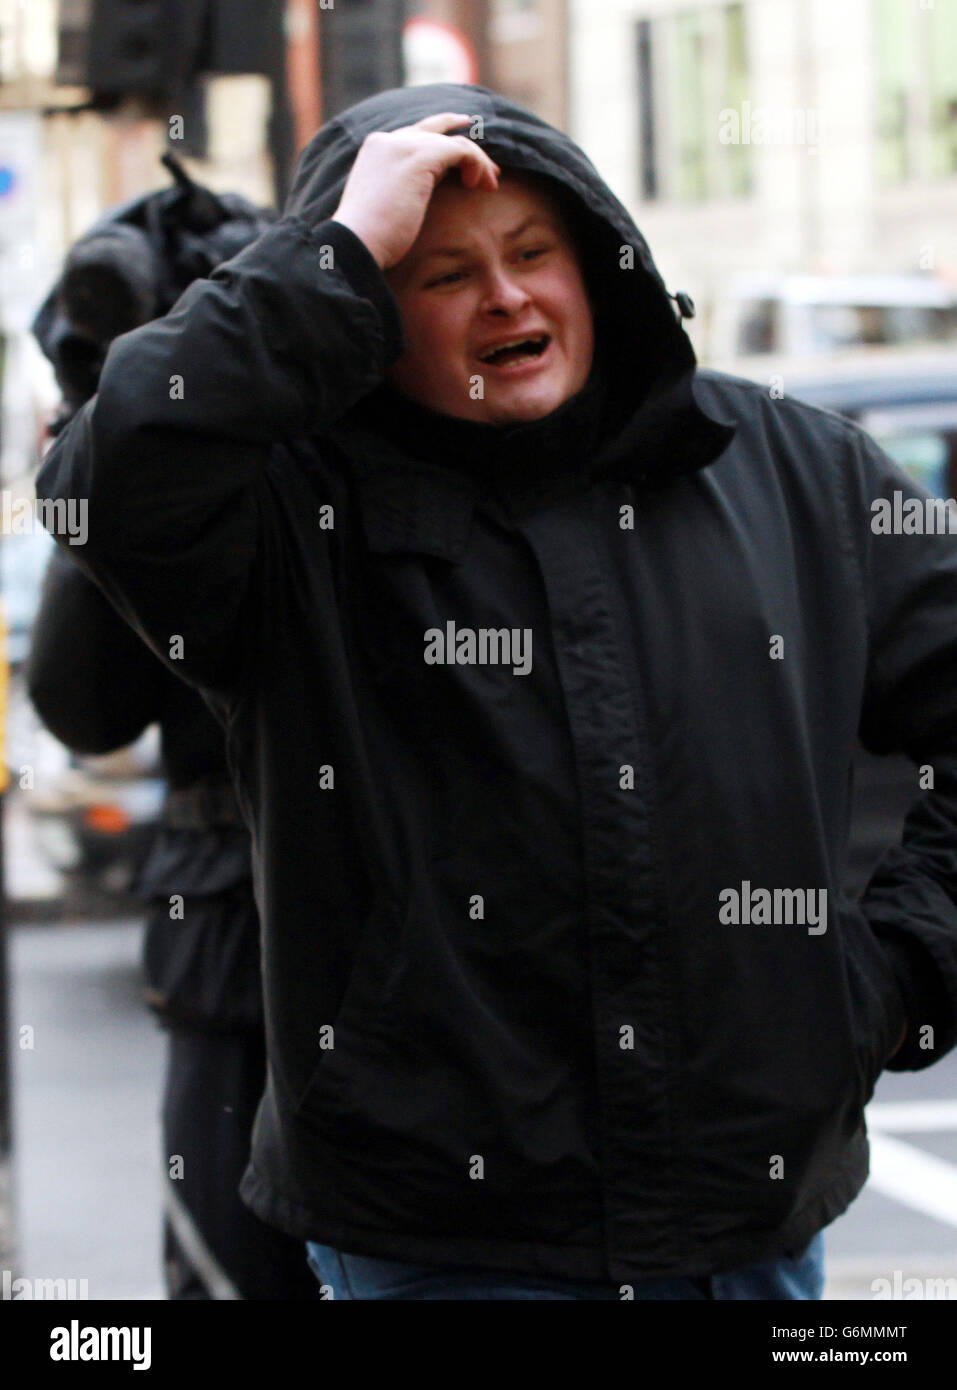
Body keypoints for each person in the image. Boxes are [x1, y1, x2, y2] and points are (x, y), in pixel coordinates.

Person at [34, 84, 957, 1300]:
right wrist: (333, 252)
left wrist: (891, 985)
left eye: (534, 254)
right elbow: (110, 477)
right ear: (371, 315)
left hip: (749, 1221)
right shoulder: (291, 517)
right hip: (442, 1246)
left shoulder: (796, 471)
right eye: (441, 273)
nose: (507, 296)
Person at [28, 170, 318, 1300]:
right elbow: (83, 703)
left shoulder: (348, 423)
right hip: (231, 942)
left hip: (335, 937)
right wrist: (119, 442)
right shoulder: (149, 452)